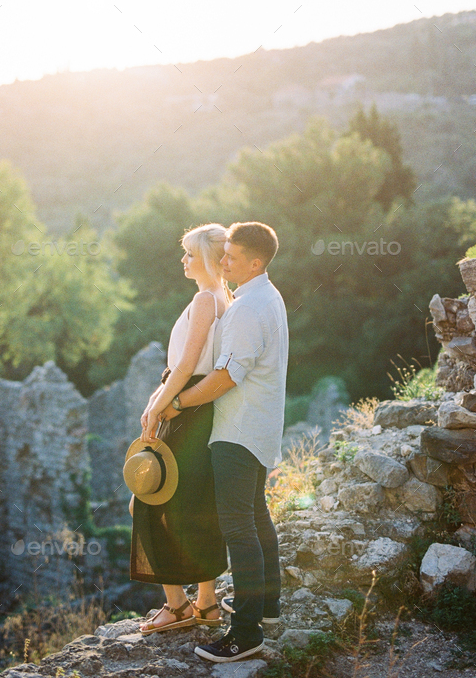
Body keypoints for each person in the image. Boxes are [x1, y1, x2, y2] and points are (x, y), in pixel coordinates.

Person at [160, 221, 288, 663]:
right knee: (255, 516)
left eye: (232, 257)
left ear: (255, 262)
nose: (224, 261)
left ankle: (246, 633)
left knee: (238, 528)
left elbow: (226, 376)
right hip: (260, 425)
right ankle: (266, 607)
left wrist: (177, 403)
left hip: (237, 429)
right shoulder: (265, 295)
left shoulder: (248, 308)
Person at [130, 223, 231, 635]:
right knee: (197, 503)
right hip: (199, 410)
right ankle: (205, 603)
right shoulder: (226, 297)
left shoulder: (206, 299)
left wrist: (157, 406)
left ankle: (177, 605)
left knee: (150, 498)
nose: (184, 260)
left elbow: (187, 366)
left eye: (190, 253)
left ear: (207, 259)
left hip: (184, 412)